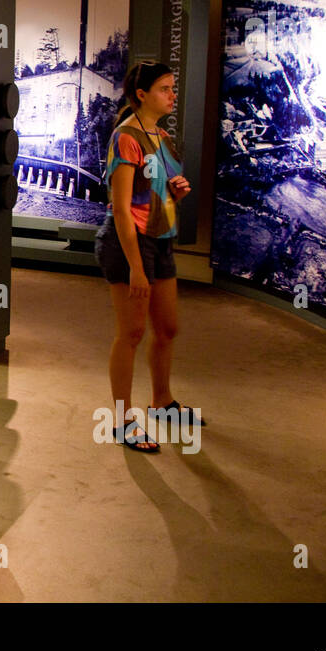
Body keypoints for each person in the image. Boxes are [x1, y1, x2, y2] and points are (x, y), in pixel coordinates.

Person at [93, 61, 198, 453]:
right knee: (132, 333)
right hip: (129, 244)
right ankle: (121, 421)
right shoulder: (126, 137)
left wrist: (176, 193)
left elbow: (157, 189)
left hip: (161, 238)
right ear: (142, 94)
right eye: (165, 88)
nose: (172, 95)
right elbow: (120, 208)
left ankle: (162, 401)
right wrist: (136, 267)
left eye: (173, 87)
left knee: (167, 329)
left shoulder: (162, 136)